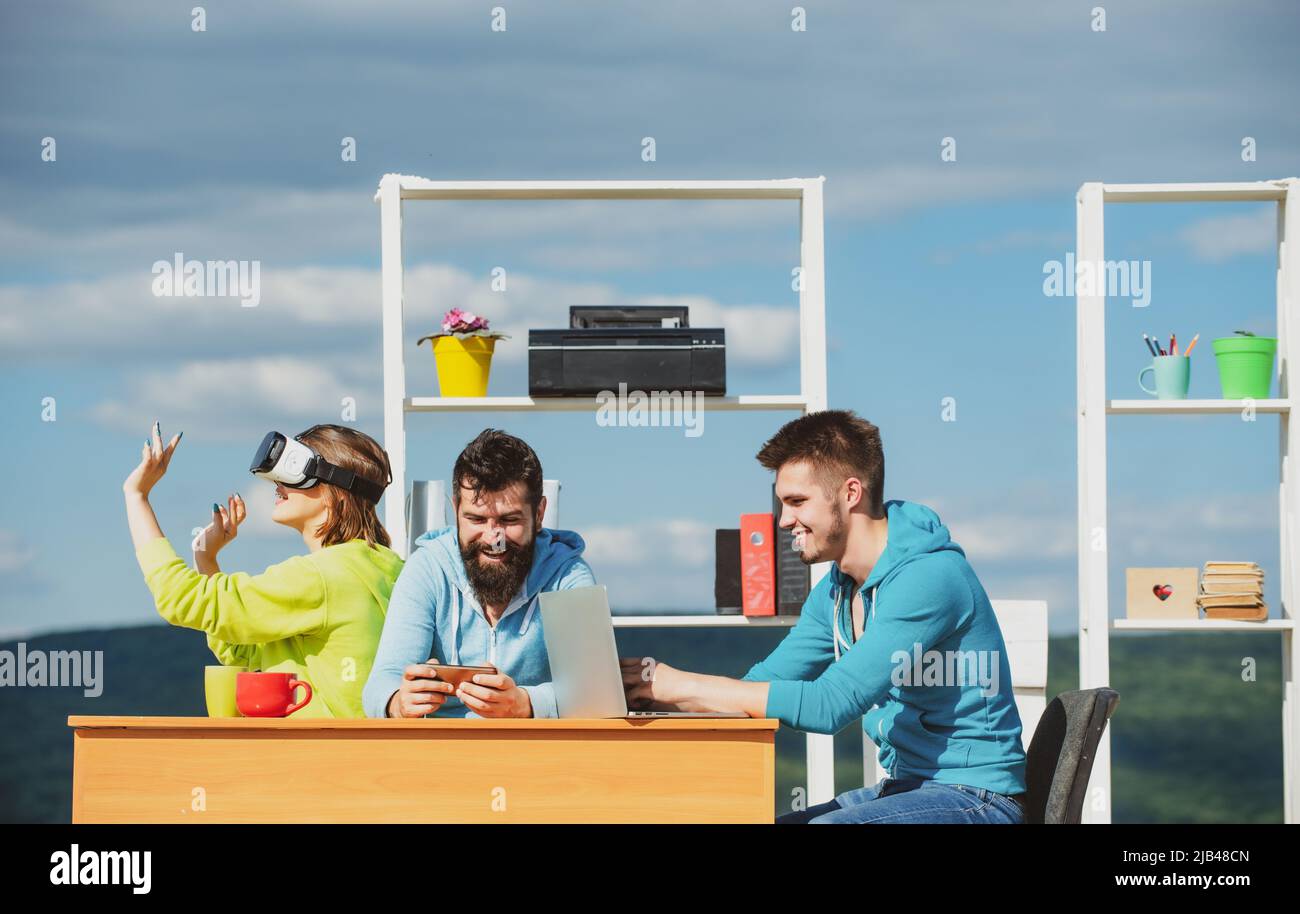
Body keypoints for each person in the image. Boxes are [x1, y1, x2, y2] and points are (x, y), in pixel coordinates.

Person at [621, 409, 1027, 823]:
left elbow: (831, 704)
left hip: (978, 797)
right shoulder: (836, 590)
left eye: (797, 502)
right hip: (908, 787)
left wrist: (677, 684)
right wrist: (645, 693)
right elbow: (762, 686)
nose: (784, 521)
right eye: (782, 503)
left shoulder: (928, 576)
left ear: (851, 493)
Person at [123, 421, 404, 717]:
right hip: (367, 754)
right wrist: (207, 561)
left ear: (338, 493)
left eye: (295, 469)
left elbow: (179, 597)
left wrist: (137, 497)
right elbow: (243, 648)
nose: (276, 484)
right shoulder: (385, 569)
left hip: (319, 757)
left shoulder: (320, 577)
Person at [363, 429, 595, 719]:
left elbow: (594, 691)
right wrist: (398, 702)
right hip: (442, 755)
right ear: (455, 509)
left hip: (534, 753)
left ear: (539, 513)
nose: (492, 537)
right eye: (476, 519)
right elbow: (380, 684)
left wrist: (523, 703)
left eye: (509, 520)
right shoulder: (427, 567)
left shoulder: (568, 575)